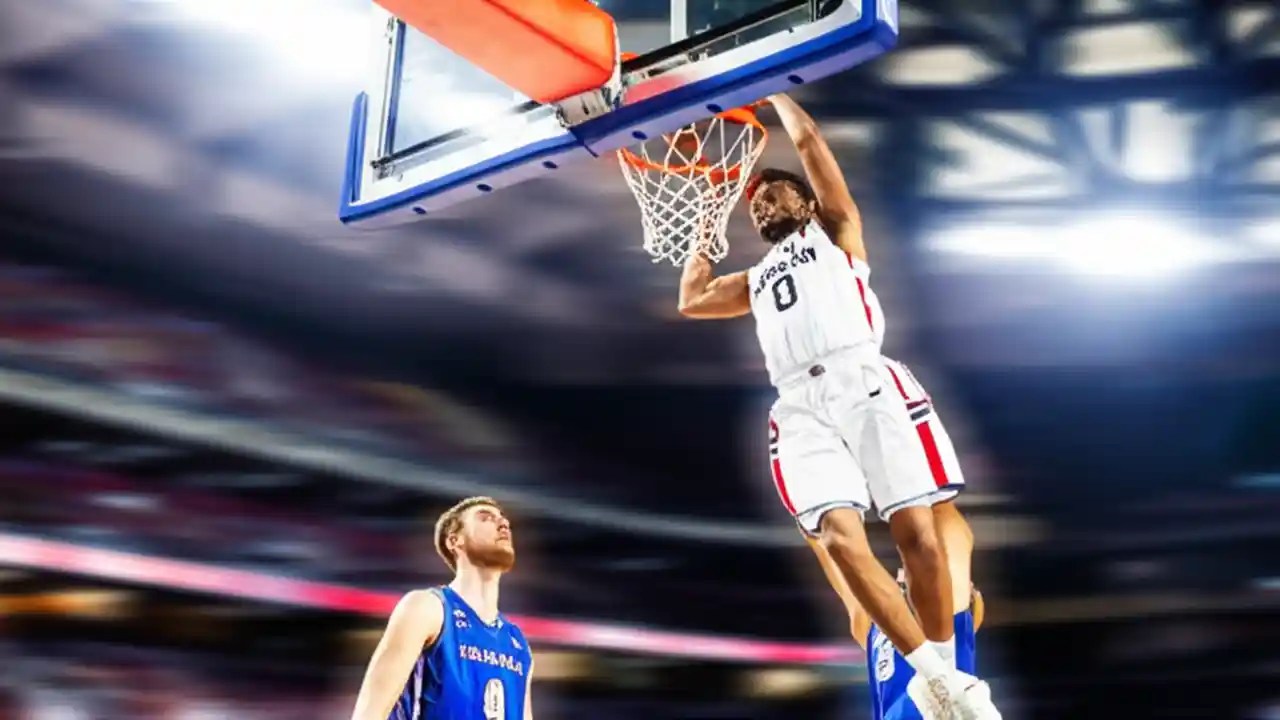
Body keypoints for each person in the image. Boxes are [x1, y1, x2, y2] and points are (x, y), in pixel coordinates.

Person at [676, 93, 998, 719]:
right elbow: (692, 299)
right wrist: (707, 225)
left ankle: (941, 671)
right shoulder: (757, 277)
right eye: (757, 202)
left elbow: (812, 145)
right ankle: (938, 681)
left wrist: (773, 92)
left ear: (805, 202)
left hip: (863, 376)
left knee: (919, 540)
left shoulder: (835, 233)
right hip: (797, 401)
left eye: (773, 194)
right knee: (838, 539)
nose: (763, 203)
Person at [810, 357, 989, 720]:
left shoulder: (874, 629)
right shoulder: (946, 629)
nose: (902, 574)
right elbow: (944, 522)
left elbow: (830, 547)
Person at [350, 497, 533, 720]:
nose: (503, 524)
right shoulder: (427, 608)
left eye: (505, 521)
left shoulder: (518, 644)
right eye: (486, 518)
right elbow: (370, 713)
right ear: (454, 541)